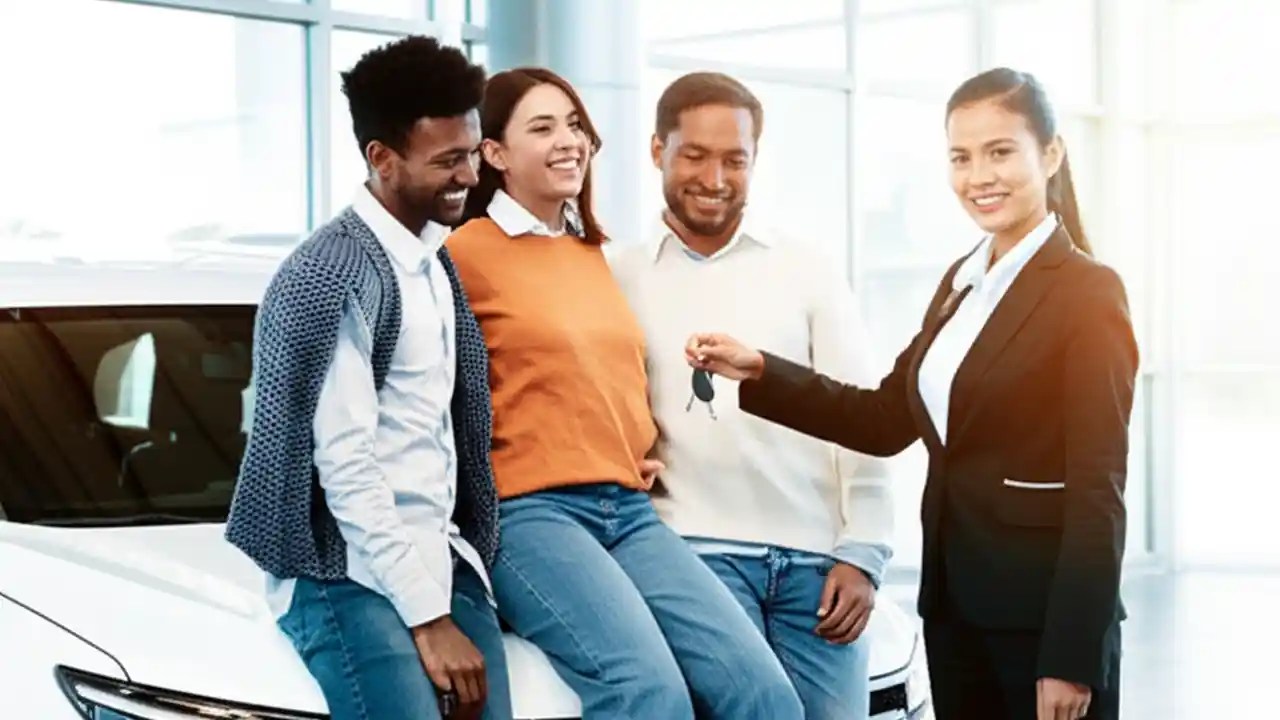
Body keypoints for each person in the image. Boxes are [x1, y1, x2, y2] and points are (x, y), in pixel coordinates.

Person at [686, 67, 1138, 720]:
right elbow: (883, 418)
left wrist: (1070, 658)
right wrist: (759, 370)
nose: (979, 176)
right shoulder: (963, 281)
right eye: (961, 157)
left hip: (1042, 627)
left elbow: (1100, 493)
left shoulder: (1089, 293)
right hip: (955, 613)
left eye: (1000, 152)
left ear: (1052, 154)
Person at [444, 67, 804, 720]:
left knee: (765, 694)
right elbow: (429, 400)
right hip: (531, 516)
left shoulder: (591, 254)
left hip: (628, 510)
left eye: (575, 124)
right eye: (543, 126)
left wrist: (629, 442)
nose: (569, 140)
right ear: (493, 154)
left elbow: (599, 378)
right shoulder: (462, 254)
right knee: (649, 696)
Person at [225, 36, 512, 720]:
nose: (470, 176)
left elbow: (439, 440)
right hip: (341, 570)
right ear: (381, 159)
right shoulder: (328, 277)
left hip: (436, 558)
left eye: (471, 152)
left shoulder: (433, 264)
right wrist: (427, 619)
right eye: (446, 160)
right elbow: (348, 467)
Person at [609, 71, 893, 720]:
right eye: (695, 155)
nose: (715, 178)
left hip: (818, 561)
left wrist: (864, 551)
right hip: (694, 552)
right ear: (659, 152)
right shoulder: (617, 276)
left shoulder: (807, 266)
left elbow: (863, 413)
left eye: (734, 159)